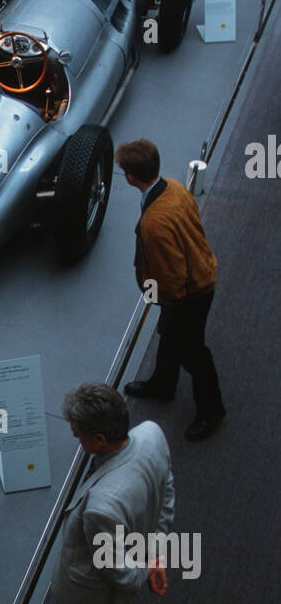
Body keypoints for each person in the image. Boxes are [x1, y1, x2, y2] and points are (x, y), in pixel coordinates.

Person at [49, 383, 173, 604]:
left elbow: (115, 570)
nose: (75, 437)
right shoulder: (151, 434)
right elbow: (166, 490)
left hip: (90, 594)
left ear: (100, 439)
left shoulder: (101, 507)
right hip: (136, 540)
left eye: (78, 433)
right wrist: (156, 552)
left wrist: (143, 571)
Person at [115, 138, 225, 441]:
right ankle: (163, 384)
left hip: (187, 294)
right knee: (168, 333)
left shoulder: (154, 224)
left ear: (130, 177)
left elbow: (171, 277)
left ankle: (212, 410)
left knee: (193, 353)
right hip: (200, 274)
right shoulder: (175, 187)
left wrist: (154, 297)